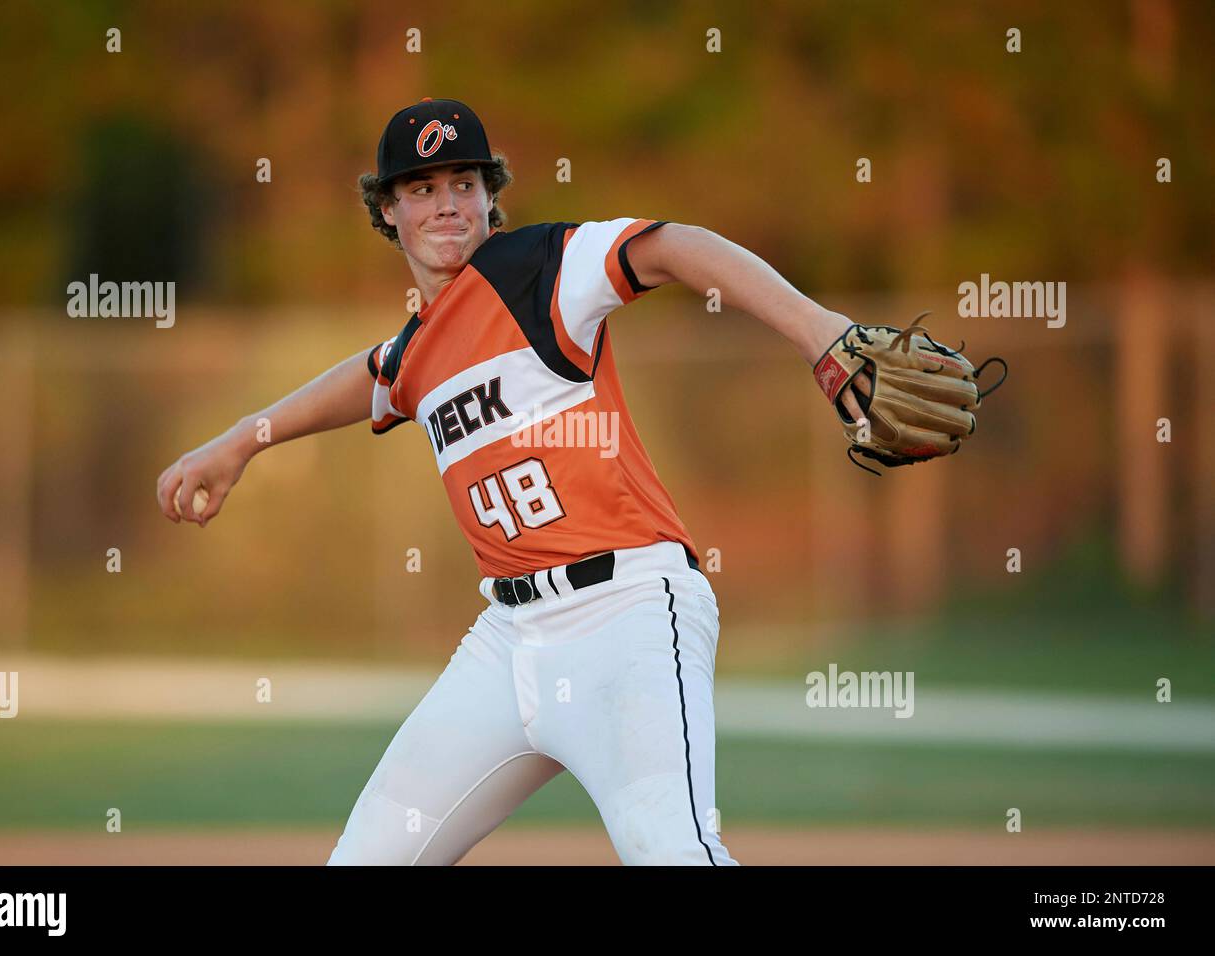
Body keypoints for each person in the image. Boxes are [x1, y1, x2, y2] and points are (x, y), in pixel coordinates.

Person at [156, 98, 868, 865]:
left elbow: (675, 247)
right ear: (387, 210)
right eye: (422, 188)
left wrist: (816, 329)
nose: (447, 204)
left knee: (673, 852)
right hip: (507, 641)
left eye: (464, 181)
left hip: (625, 613)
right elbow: (373, 376)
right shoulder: (419, 350)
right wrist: (242, 441)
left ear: (492, 194)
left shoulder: (542, 269)